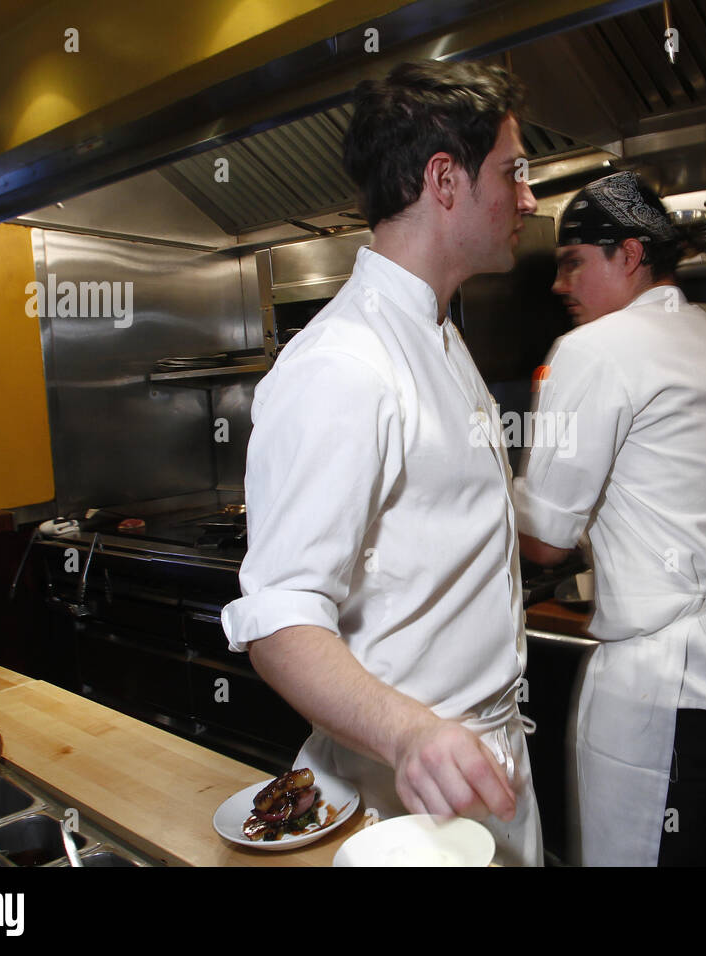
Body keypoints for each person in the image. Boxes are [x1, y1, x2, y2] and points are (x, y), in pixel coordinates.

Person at [221, 60, 542, 866]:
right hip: (397, 799)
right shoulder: (344, 362)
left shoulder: (436, 331)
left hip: (480, 766)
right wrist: (412, 736)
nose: (528, 199)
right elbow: (280, 618)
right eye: (514, 173)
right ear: (444, 180)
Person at [512, 172, 706, 866]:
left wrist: (494, 476)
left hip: (656, 685)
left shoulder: (594, 351)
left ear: (630, 255)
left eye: (574, 261)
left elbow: (545, 542)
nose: (559, 284)